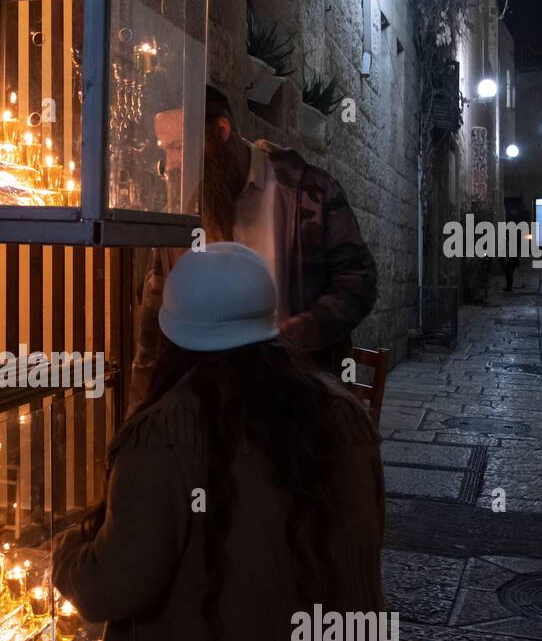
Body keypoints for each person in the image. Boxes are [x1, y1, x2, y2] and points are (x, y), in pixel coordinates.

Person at [54, 242, 429, 641]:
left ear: (172, 335)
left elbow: (113, 586)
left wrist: (67, 552)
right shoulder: (343, 415)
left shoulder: (164, 435)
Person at [130, 85, 378, 414]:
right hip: (207, 412)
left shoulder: (308, 193)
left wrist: (289, 339)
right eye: (165, 150)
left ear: (221, 131)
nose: (171, 164)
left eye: (178, 147)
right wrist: (141, 409)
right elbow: (156, 306)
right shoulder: (179, 210)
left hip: (300, 406)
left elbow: (358, 279)